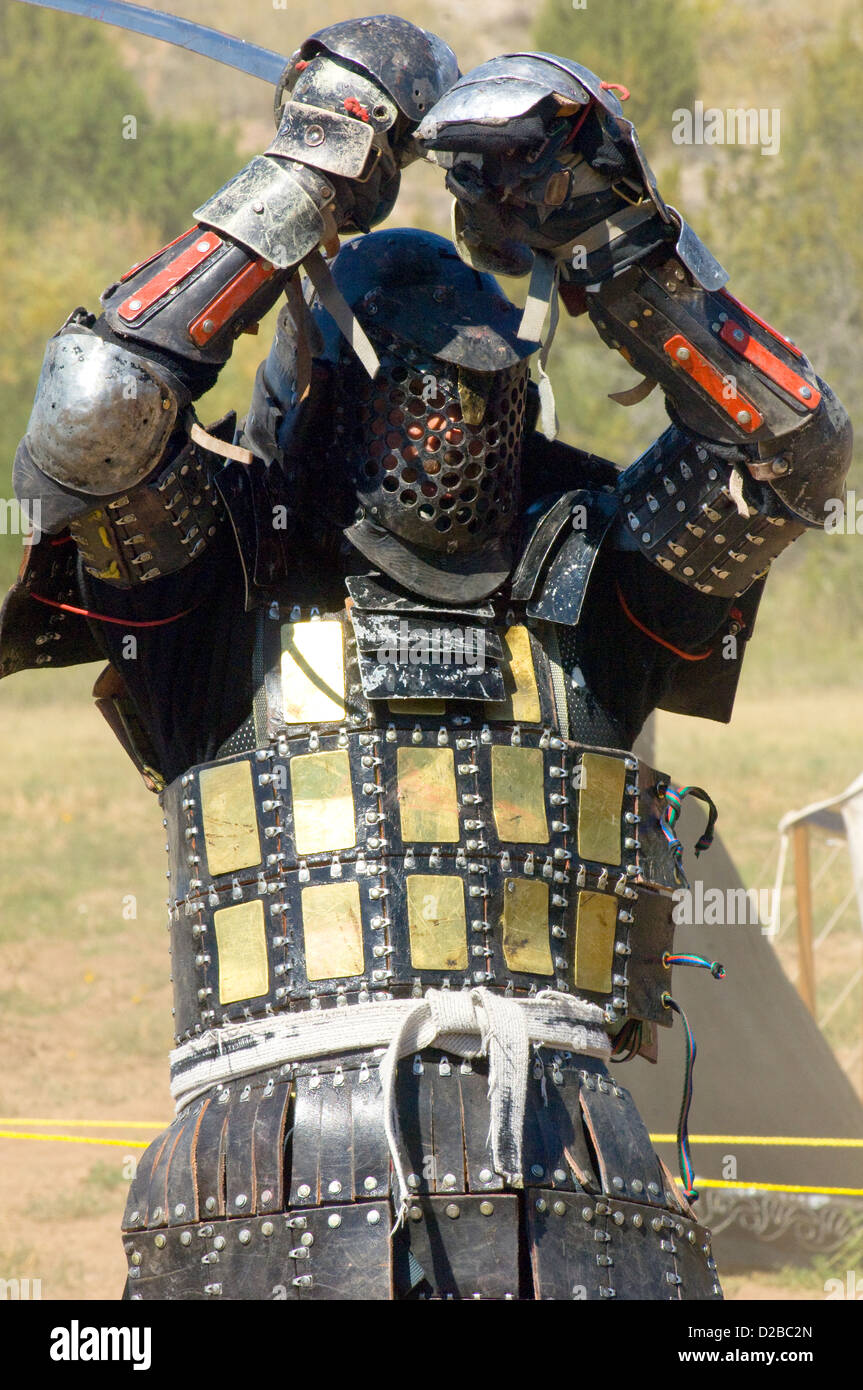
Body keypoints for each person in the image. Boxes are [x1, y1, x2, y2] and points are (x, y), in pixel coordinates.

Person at [1, 22, 850, 1301]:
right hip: (264, 1199)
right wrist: (317, 163)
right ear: (328, 392)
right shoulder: (222, 573)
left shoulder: (582, 569)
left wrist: (599, 226)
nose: (441, 419)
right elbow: (93, 410)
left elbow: (793, 452)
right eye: (411, 392)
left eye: (469, 392)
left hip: (575, 1191)